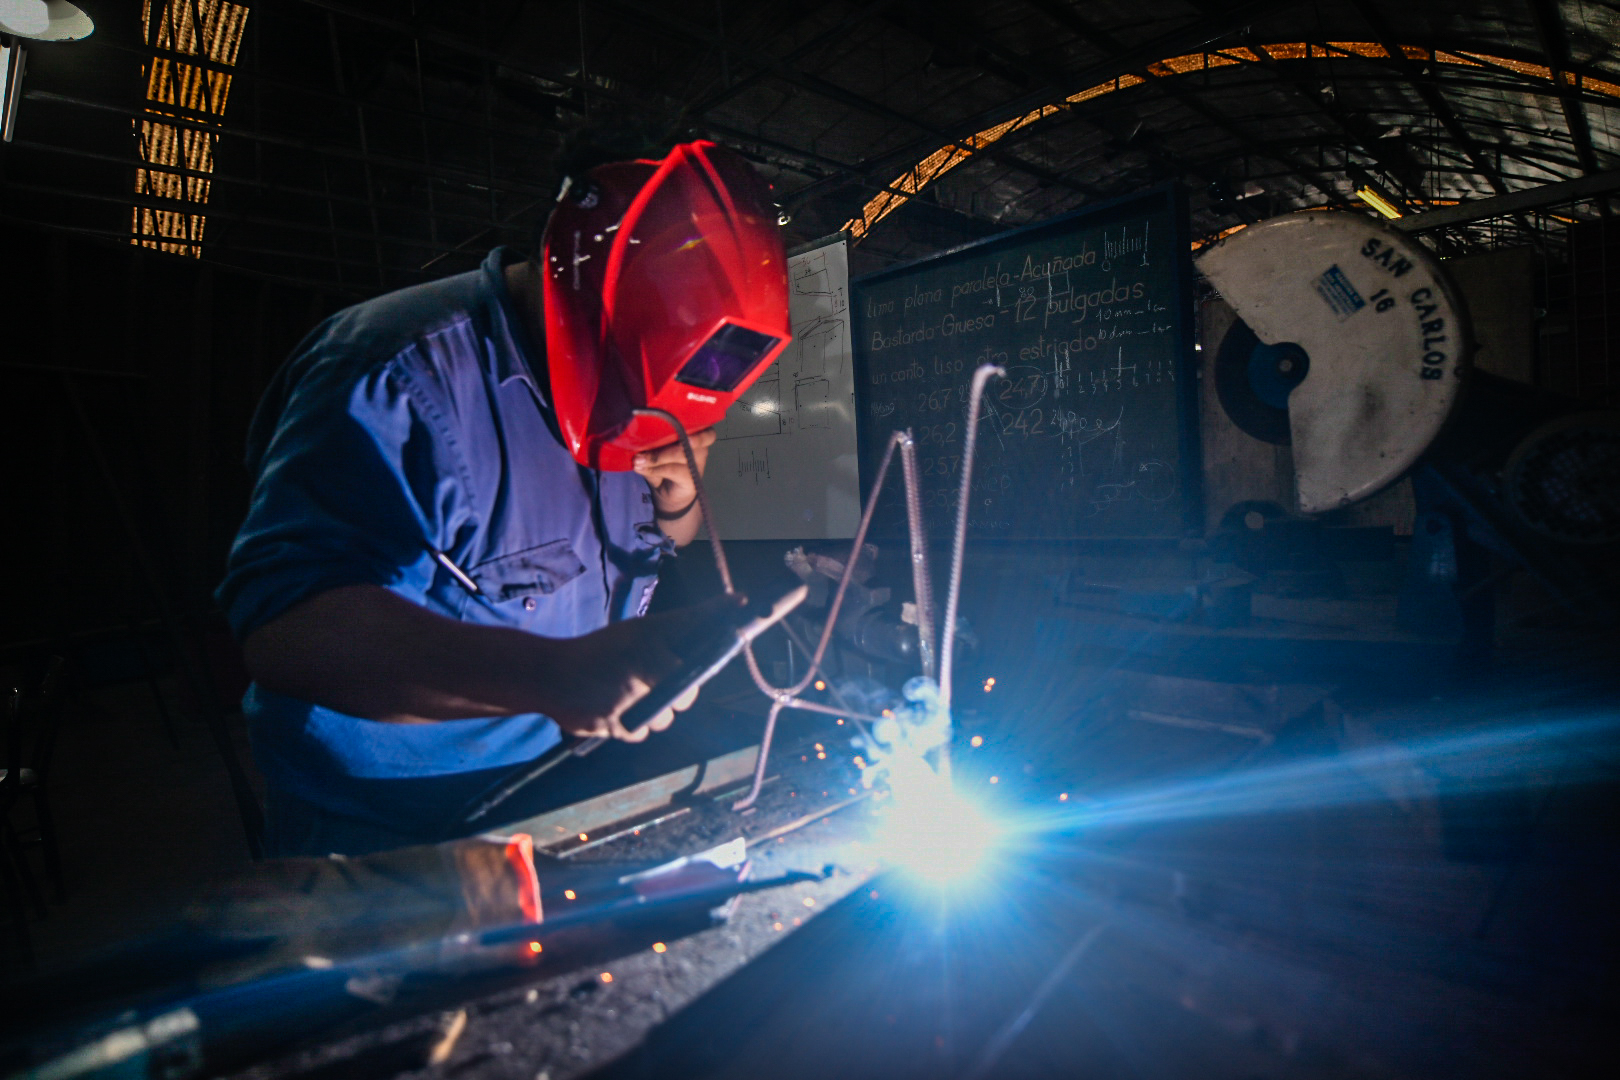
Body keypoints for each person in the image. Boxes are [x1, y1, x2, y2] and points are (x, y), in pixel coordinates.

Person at [217, 132, 788, 857]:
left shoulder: (647, 384)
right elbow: (284, 630)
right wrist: (553, 675)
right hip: (385, 822)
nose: (641, 420)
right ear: (584, 300)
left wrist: (678, 504)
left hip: (554, 785)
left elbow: (647, 550)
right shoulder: (391, 371)